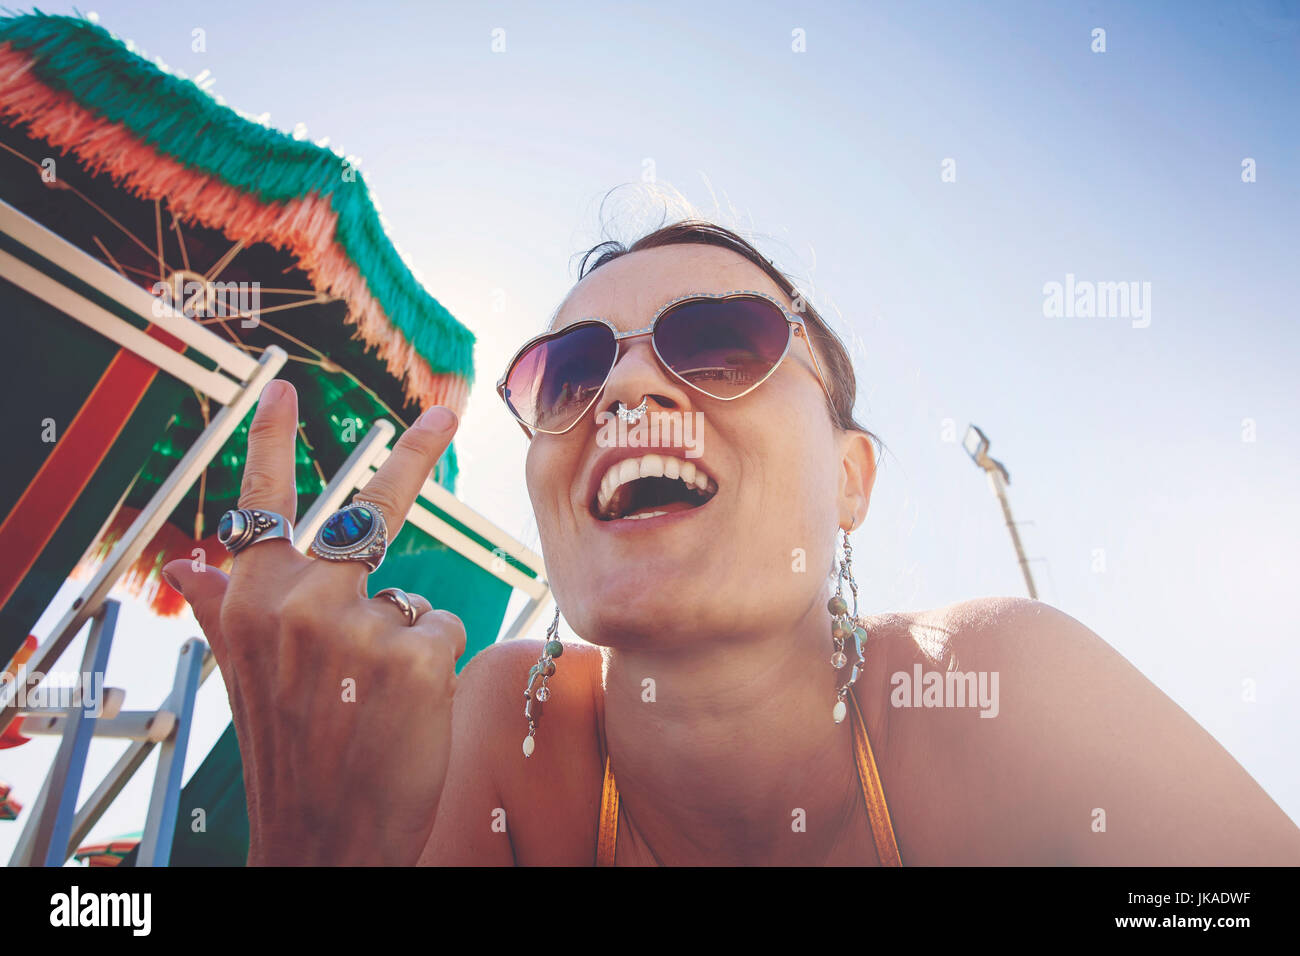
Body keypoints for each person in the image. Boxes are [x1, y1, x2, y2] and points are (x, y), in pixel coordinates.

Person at [163, 220, 1300, 866]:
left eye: (718, 343)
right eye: (570, 370)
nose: (627, 386)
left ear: (849, 480)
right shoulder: (511, 729)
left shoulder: (997, 683)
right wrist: (312, 852)